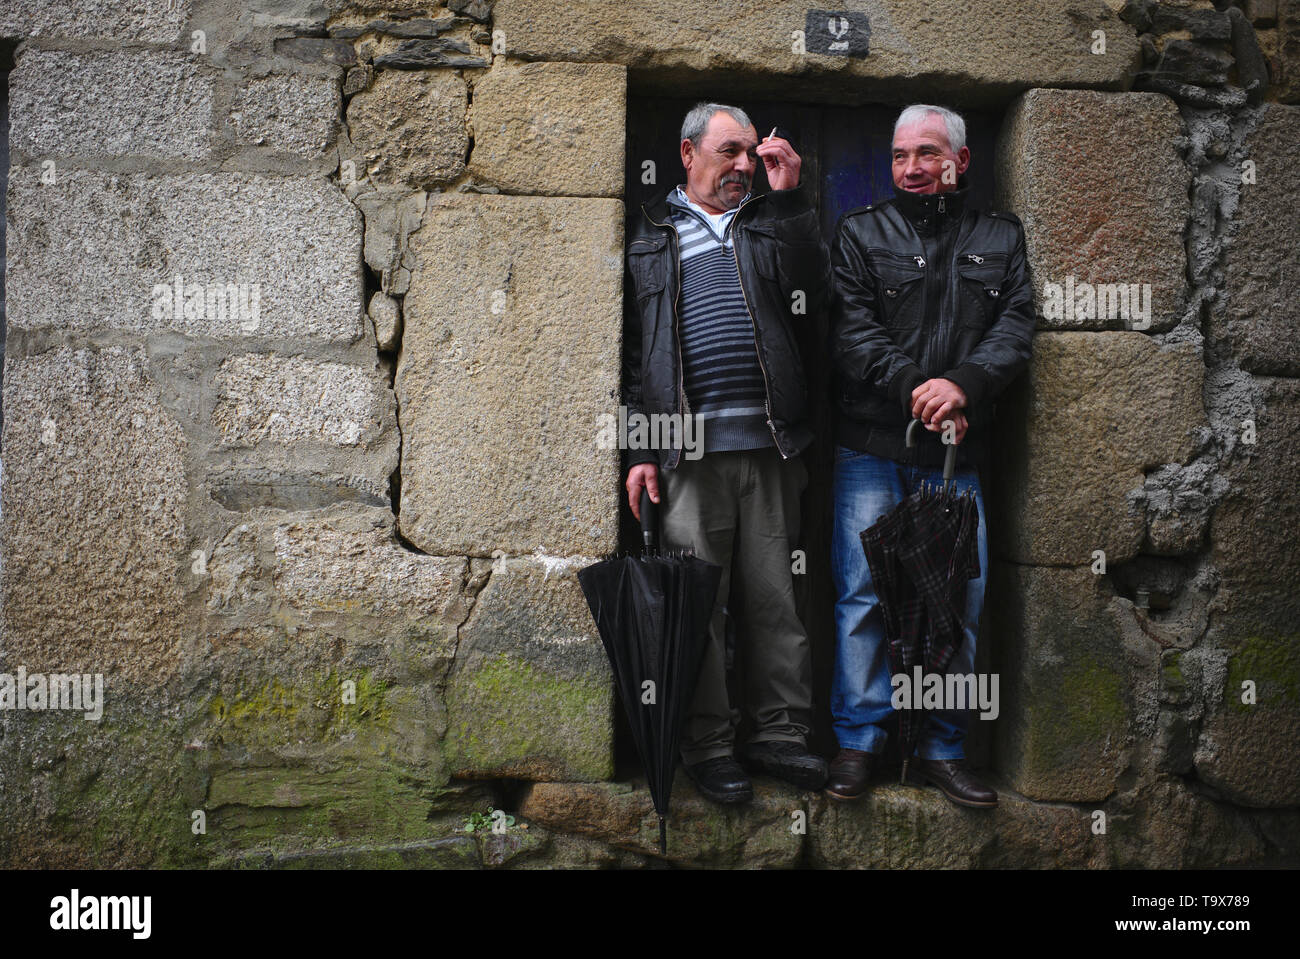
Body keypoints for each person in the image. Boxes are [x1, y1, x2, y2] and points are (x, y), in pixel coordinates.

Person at [826, 103, 1035, 807]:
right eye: (898, 156)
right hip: (870, 450)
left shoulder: (1001, 239)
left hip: (957, 458)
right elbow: (852, 334)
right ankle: (860, 741)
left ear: (961, 160)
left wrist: (964, 385)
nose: (911, 168)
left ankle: (944, 748)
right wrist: (921, 386)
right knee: (862, 598)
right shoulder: (860, 234)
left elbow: (1015, 327)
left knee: (958, 605)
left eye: (926, 153)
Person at [622, 102, 829, 803]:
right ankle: (708, 745)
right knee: (697, 605)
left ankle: (780, 735)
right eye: (730, 151)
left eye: (751, 154)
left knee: (776, 600)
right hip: (687, 457)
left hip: (772, 446)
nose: (744, 166)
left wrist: (792, 197)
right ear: (688, 153)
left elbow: (812, 294)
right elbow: (630, 353)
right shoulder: (650, 234)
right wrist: (641, 443)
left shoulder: (773, 223)